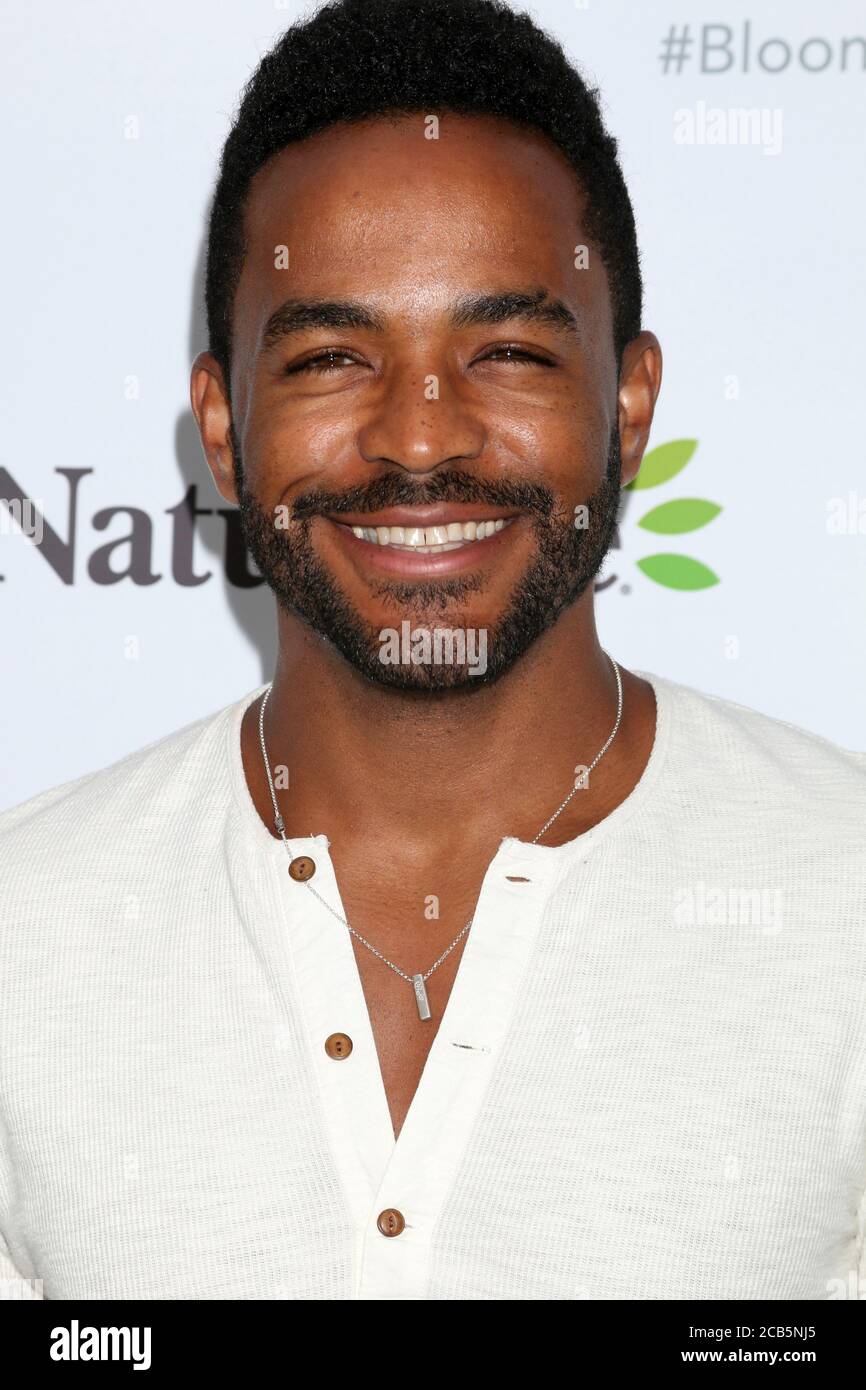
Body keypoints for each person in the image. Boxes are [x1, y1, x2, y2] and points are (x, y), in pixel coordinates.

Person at [1, 0, 864, 1302]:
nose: (418, 439)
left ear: (626, 406)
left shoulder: (840, 904)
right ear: (222, 429)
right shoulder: (28, 928)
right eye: (332, 356)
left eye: (506, 350)